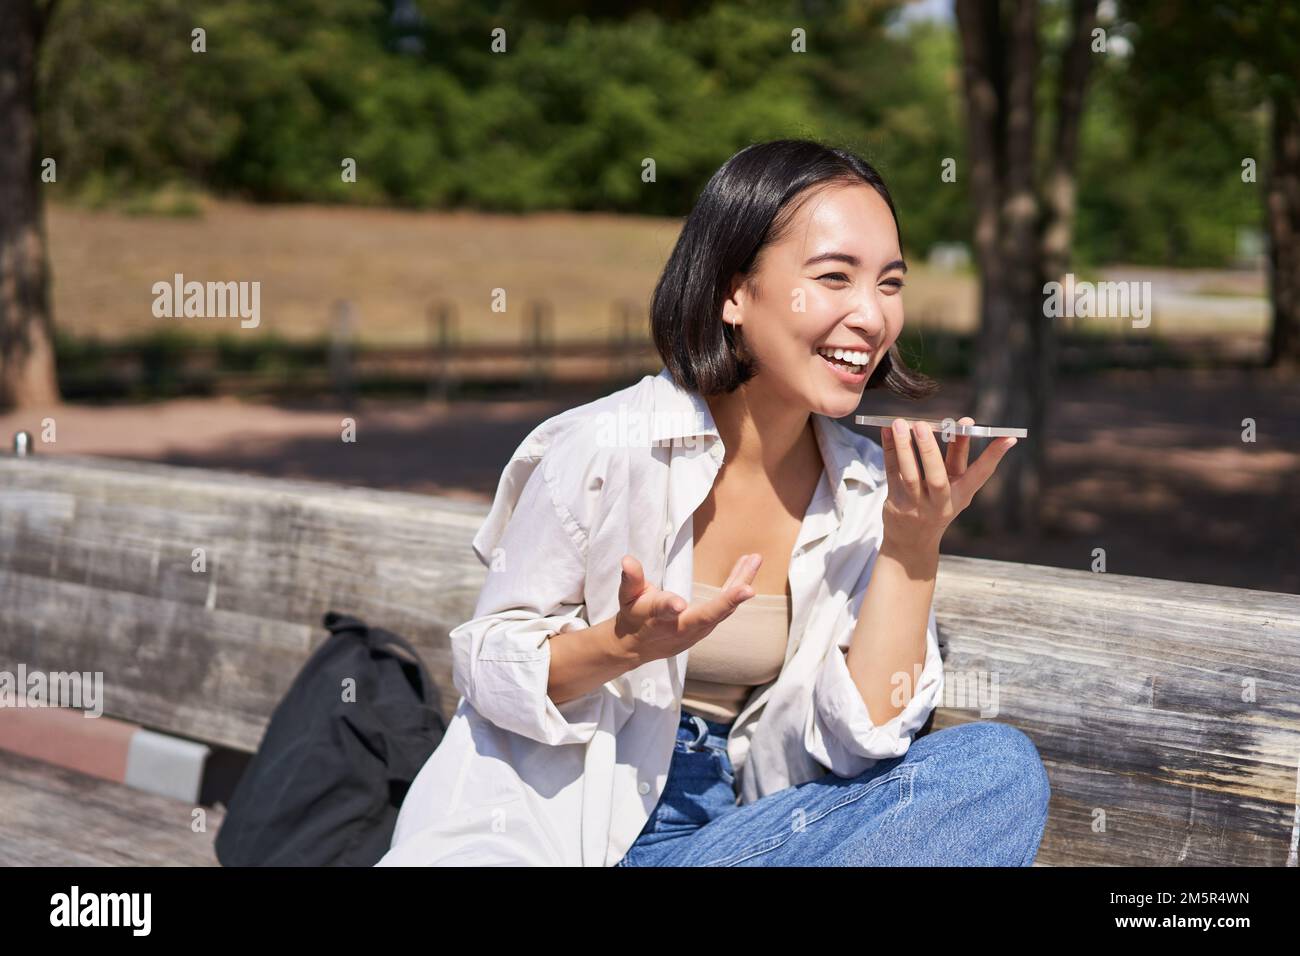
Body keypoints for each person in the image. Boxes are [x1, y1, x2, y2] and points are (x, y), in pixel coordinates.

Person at [376, 138, 1050, 867]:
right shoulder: (609, 445)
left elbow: (865, 743)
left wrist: (914, 543)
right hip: (561, 829)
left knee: (995, 769)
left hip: (731, 835)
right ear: (735, 292)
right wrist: (619, 646)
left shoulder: (864, 489)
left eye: (890, 284)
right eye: (834, 277)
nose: (872, 316)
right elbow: (487, 667)